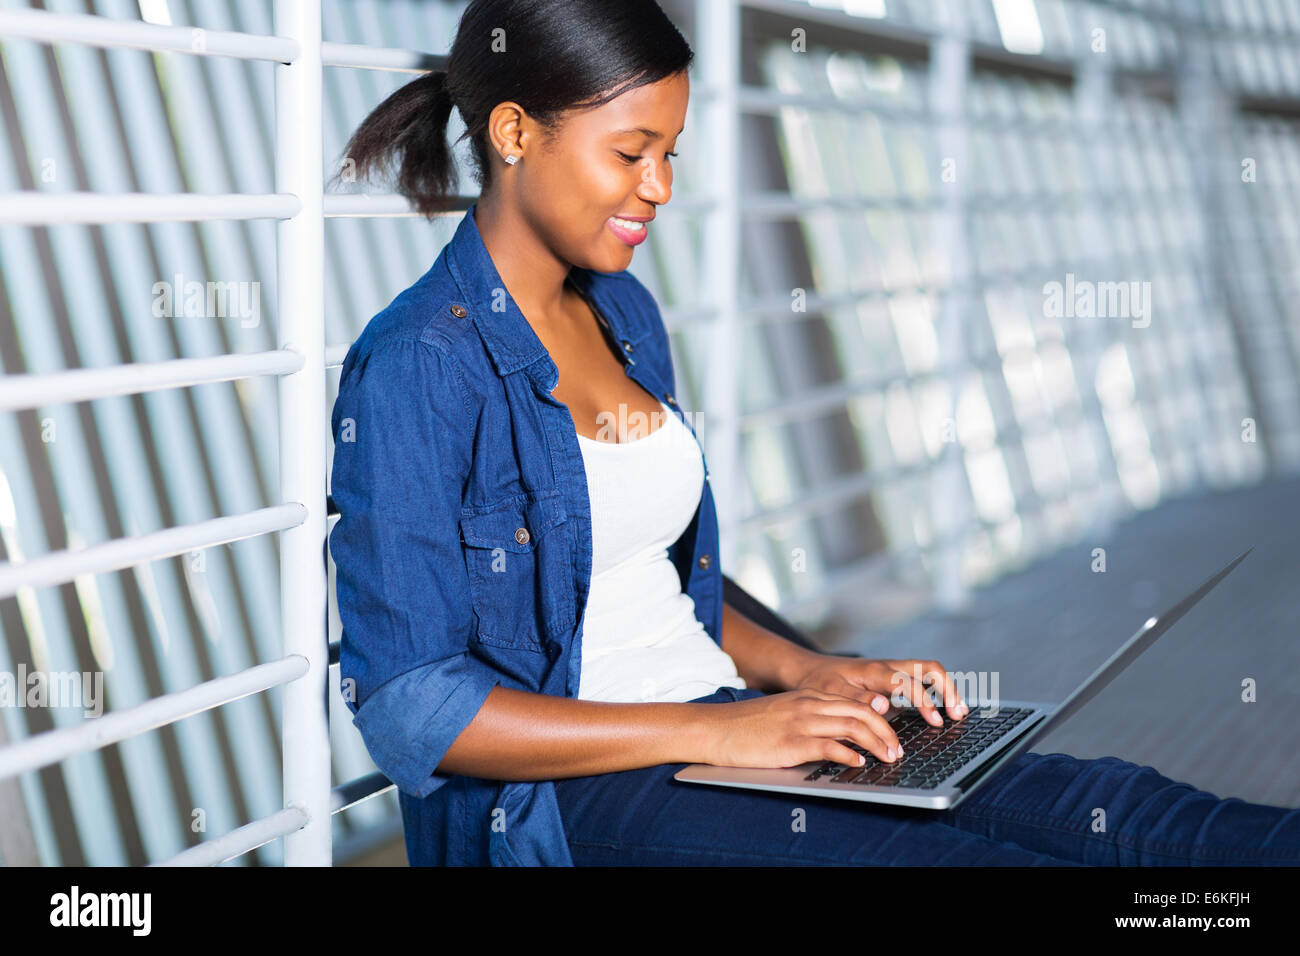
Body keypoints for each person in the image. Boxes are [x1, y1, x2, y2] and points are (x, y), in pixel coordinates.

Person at [326, 0, 1300, 866]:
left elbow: (652, 575)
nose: (658, 187)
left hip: (726, 727)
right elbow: (415, 706)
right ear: (513, 133)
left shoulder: (620, 311)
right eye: (630, 152)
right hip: (574, 796)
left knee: (1126, 811)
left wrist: (808, 672)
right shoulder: (418, 364)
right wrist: (716, 732)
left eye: (670, 152)